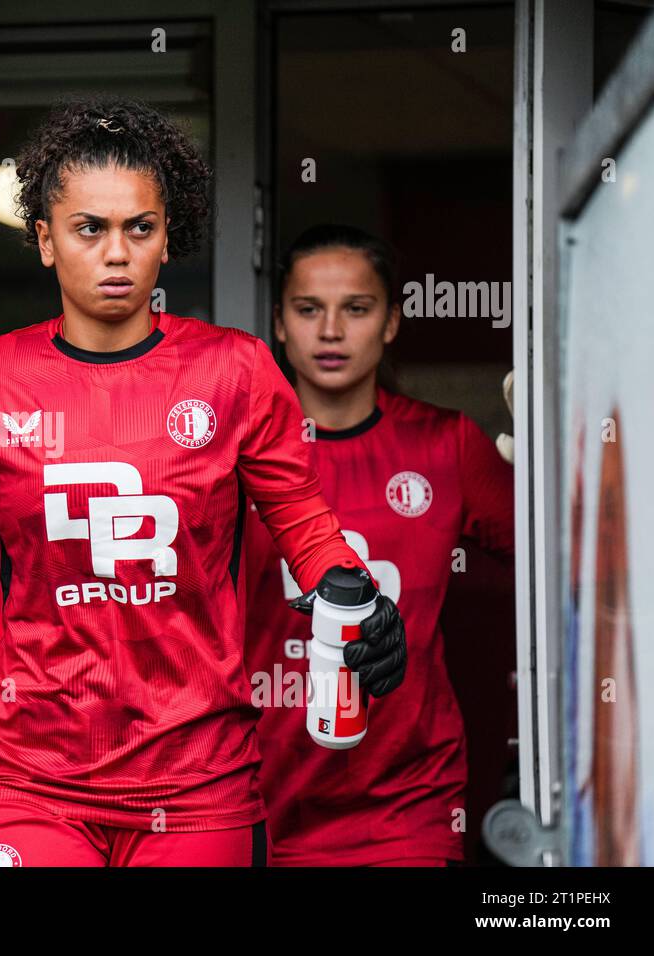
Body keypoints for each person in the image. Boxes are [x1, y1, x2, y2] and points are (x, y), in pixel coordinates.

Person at [0, 99, 407, 868]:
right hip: (27, 783)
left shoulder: (233, 372)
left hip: (199, 786)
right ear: (44, 240)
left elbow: (303, 522)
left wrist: (358, 597)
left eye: (141, 227)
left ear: (168, 239)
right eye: (88, 228)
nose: (117, 253)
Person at [242, 224, 515, 866]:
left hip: (407, 800)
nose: (330, 331)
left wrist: (557, 454)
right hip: (260, 795)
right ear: (279, 322)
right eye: (308, 309)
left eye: (356, 309)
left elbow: (569, 555)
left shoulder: (445, 445)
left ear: (391, 322)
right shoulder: (240, 456)